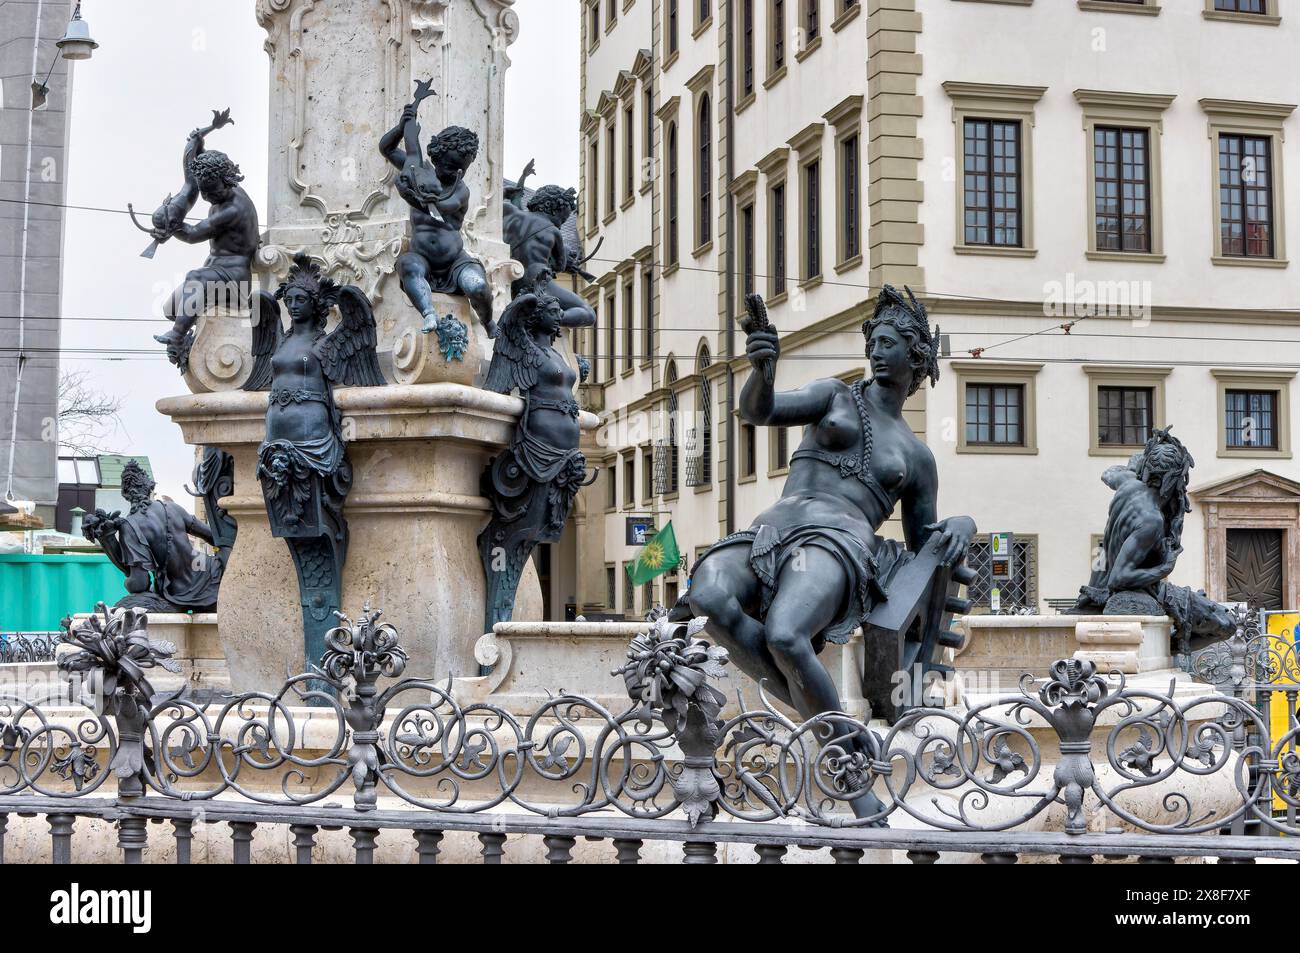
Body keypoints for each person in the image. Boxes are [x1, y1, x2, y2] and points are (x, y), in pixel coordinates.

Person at [683, 286, 976, 817]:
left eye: (890, 342)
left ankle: (846, 772)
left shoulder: (916, 455)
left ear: (916, 357)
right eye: (874, 340)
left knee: (786, 635)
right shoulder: (834, 396)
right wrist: (763, 368)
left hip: (838, 544)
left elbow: (922, 544)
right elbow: (759, 411)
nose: (877, 350)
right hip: (769, 531)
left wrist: (963, 521)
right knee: (706, 596)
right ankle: (839, 726)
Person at [379, 80, 496, 353]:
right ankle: (428, 312)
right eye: (451, 166)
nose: (456, 173)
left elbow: (443, 208)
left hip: (455, 261)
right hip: (422, 258)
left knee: (477, 287)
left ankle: (489, 321)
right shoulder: (421, 169)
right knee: (408, 267)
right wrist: (401, 127)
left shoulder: (460, 189)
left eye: (461, 169)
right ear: (437, 156)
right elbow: (386, 149)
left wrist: (416, 191)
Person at [150, 111, 260, 361]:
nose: (208, 198)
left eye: (212, 192)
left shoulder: (234, 209)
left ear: (227, 179)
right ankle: (186, 333)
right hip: (215, 272)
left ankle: (177, 336)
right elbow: (192, 161)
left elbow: (191, 235)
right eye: (204, 193)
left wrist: (170, 225)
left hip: (235, 278)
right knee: (172, 308)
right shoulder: (215, 182)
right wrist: (204, 133)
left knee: (194, 277)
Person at [82, 461, 223, 612]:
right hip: (213, 577)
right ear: (150, 487)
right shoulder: (172, 508)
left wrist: (110, 545)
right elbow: (215, 537)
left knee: (126, 606)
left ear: (125, 495)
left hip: (180, 593)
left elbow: (139, 584)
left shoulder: (130, 526)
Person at [503, 160, 597, 329]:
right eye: (562, 219)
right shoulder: (553, 232)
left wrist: (511, 189)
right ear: (553, 210)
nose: (561, 224)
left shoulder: (512, 214)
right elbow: (560, 265)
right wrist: (569, 264)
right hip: (537, 284)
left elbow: (513, 202)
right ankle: (550, 316)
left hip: (512, 281)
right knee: (588, 312)